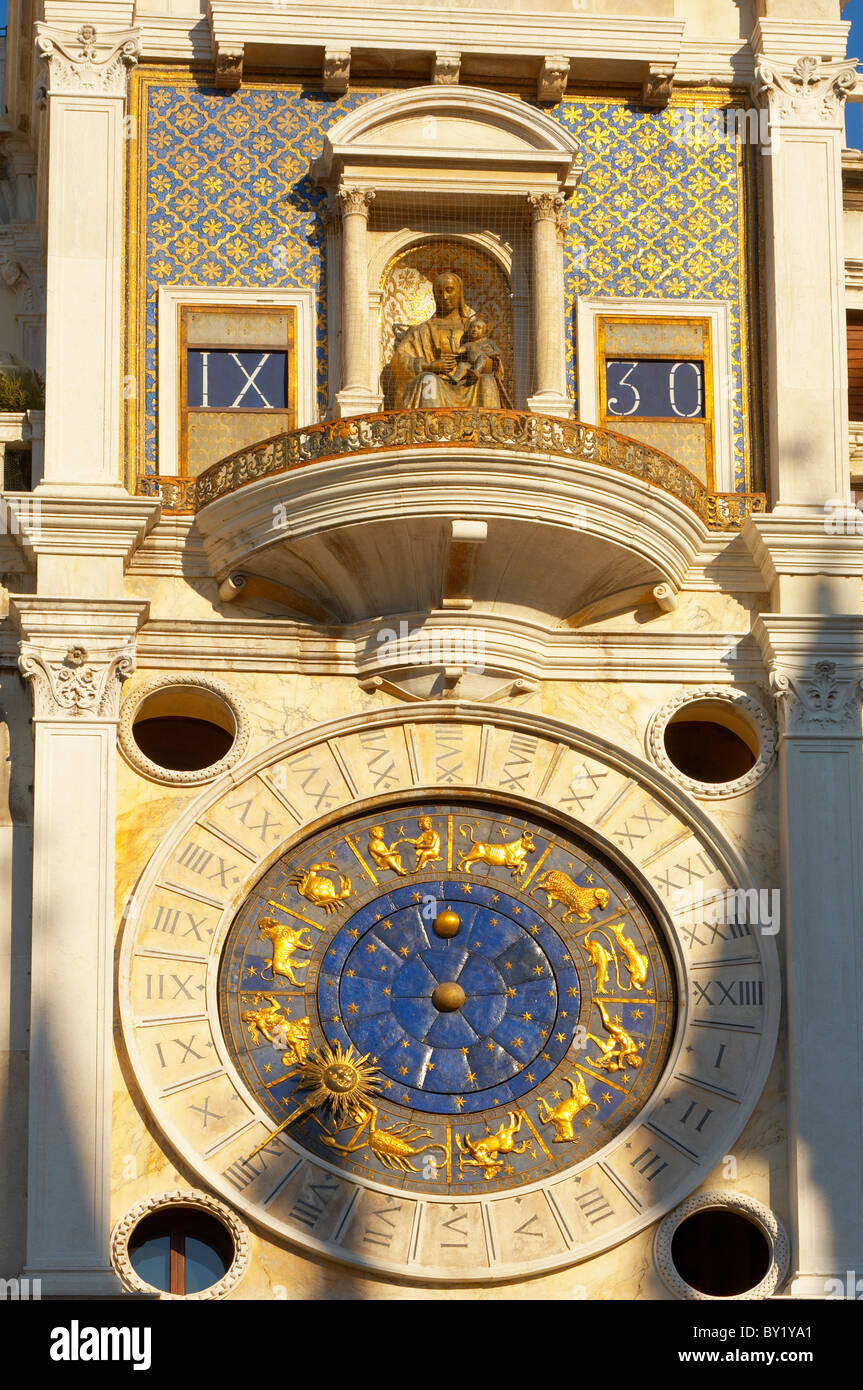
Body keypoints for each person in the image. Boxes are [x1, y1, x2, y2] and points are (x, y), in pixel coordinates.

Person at [390, 271, 502, 408]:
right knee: (429, 380)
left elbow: (492, 358)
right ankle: (430, 426)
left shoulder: (474, 327)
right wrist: (429, 366)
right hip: (437, 380)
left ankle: (486, 426)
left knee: (487, 381)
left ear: (459, 293)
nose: (444, 296)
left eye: (449, 290)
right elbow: (398, 362)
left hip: (469, 381)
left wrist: (481, 364)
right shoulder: (423, 330)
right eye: (439, 292)